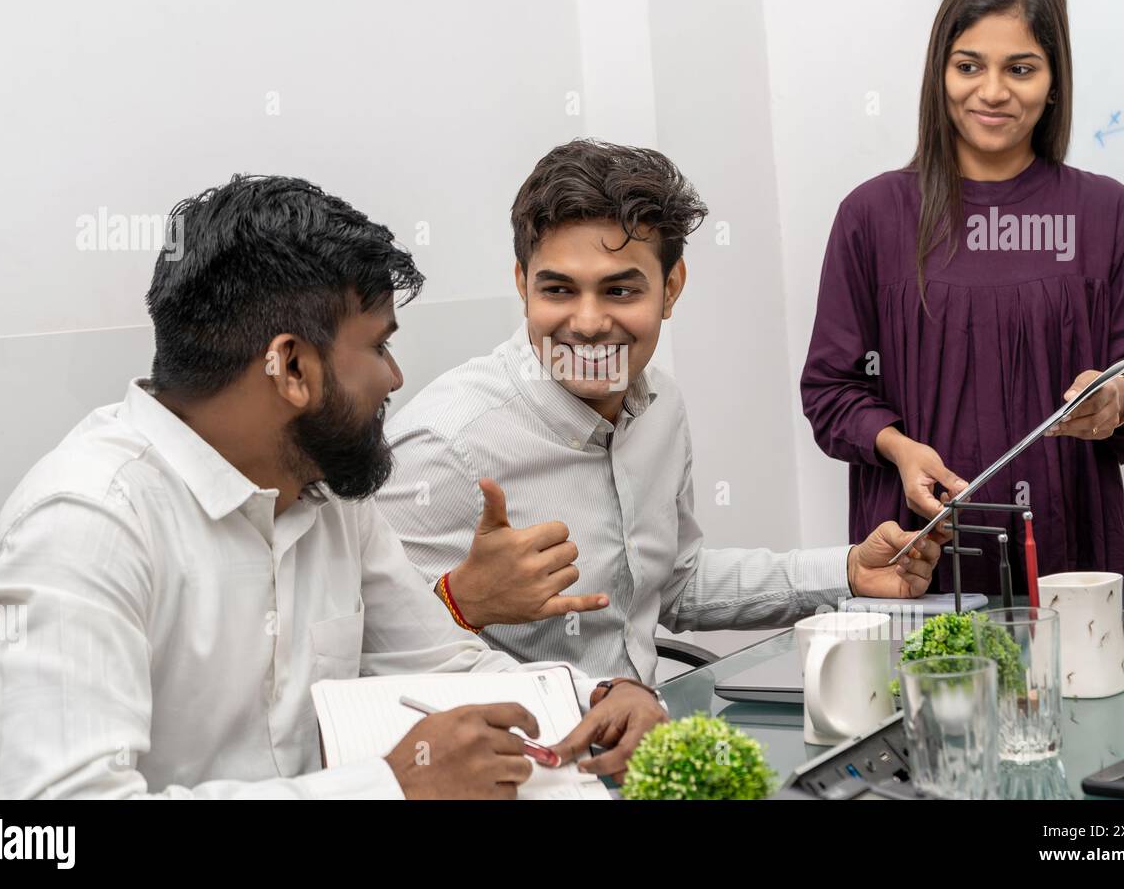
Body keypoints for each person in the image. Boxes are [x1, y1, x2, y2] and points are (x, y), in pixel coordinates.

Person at [0, 174, 665, 799]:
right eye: (379, 344)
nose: (395, 377)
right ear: (290, 368)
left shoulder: (325, 492)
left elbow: (447, 668)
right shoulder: (86, 526)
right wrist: (391, 786)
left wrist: (597, 699)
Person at [378, 140, 944, 683]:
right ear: (522, 283)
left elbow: (673, 584)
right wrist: (461, 603)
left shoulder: (659, 405)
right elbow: (375, 654)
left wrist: (847, 572)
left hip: (647, 748)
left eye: (621, 291)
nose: (590, 322)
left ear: (671, 288)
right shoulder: (444, 441)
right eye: (558, 290)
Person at [800, 0, 1124, 594]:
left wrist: (1123, 399)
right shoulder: (870, 216)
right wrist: (897, 448)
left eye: (1022, 69)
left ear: (1055, 81)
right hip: (913, 562)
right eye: (969, 65)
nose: (994, 91)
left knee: (1072, 691)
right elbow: (829, 389)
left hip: (1068, 562)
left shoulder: (1105, 212)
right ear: (940, 74)